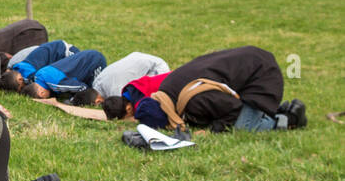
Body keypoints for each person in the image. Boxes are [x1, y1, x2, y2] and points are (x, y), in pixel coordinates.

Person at [115, 46, 306, 132]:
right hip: (249, 65)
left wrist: (213, 129)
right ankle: (276, 109)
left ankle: (290, 119)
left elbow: (233, 109)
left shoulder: (194, 102)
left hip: (261, 75)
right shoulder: (165, 90)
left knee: (244, 126)